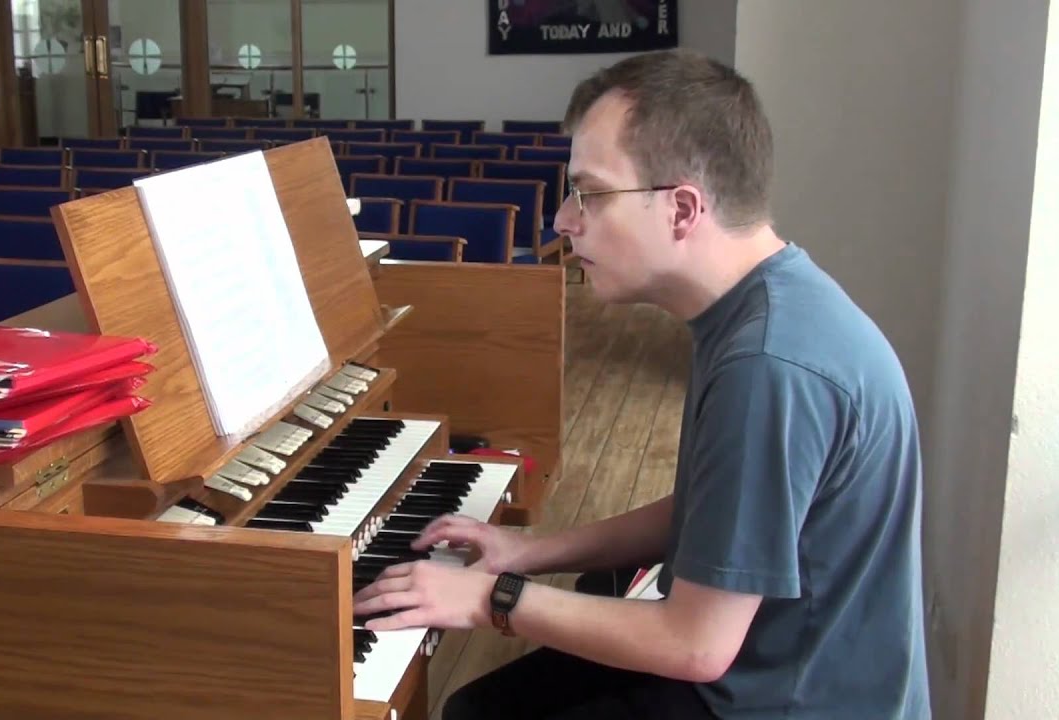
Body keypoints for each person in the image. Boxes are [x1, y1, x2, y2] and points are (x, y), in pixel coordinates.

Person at [352, 48, 931, 719]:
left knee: (479, 712)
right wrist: (528, 549)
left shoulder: (768, 365)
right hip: (784, 668)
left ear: (683, 210)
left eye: (590, 194)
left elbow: (695, 645)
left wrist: (491, 599)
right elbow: (710, 514)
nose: (563, 221)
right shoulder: (769, 305)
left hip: (787, 699)